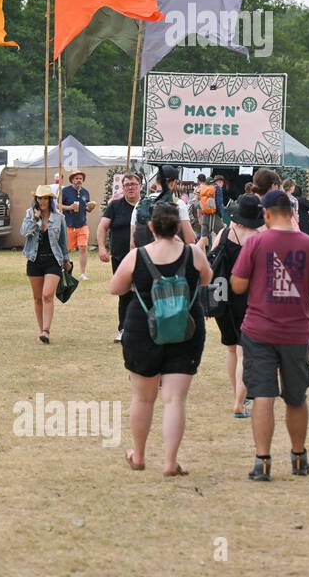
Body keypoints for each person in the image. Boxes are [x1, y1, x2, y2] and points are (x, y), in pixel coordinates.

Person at [230, 190, 309, 481]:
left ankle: (263, 462)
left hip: (258, 330)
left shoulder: (257, 242)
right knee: (296, 397)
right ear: (292, 212)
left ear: (267, 214)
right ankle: (299, 458)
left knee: (262, 394)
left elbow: (237, 285)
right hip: (296, 332)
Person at [111, 203, 212, 476]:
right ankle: (170, 462)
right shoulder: (194, 253)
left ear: (151, 227)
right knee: (174, 400)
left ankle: (139, 455)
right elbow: (207, 279)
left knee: (143, 399)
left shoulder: (137, 256)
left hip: (143, 329)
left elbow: (115, 288)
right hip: (186, 329)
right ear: (178, 226)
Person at [210, 193, 264, 418]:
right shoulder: (261, 238)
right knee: (245, 353)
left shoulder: (224, 233)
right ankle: (240, 403)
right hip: (251, 299)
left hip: (223, 298)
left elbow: (211, 261)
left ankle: (237, 396)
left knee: (232, 350)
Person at [98, 174, 145, 342]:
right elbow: (102, 227)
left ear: (140, 186)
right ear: (122, 188)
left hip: (144, 258)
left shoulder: (147, 206)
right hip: (120, 258)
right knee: (124, 294)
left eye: (133, 184)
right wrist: (102, 247)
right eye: (127, 185)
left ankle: (144, 329)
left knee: (143, 293)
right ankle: (124, 329)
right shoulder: (115, 206)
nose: (130, 187)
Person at [21, 185, 70, 345]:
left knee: (47, 295)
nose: (42, 201)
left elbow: (63, 242)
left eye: (45, 198)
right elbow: (24, 233)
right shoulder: (30, 214)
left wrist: (66, 259)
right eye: (39, 198)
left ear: (50, 200)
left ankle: (46, 330)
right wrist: (35, 220)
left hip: (53, 260)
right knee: (37, 298)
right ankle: (42, 330)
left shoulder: (59, 217)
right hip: (34, 260)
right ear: (36, 199)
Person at [59, 170, 93, 280]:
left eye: (80, 178)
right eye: (76, 178)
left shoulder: (85, 192)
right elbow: (57, 205)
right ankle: (63, 271)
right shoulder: (65, 191)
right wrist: (69, 207)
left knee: (83, 248)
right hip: (68, 225)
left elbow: (86, 207)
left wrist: (90, 208)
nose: (79, 180)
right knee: (66, 251)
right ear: (72, 180)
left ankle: (82, 273)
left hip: (82, 225)